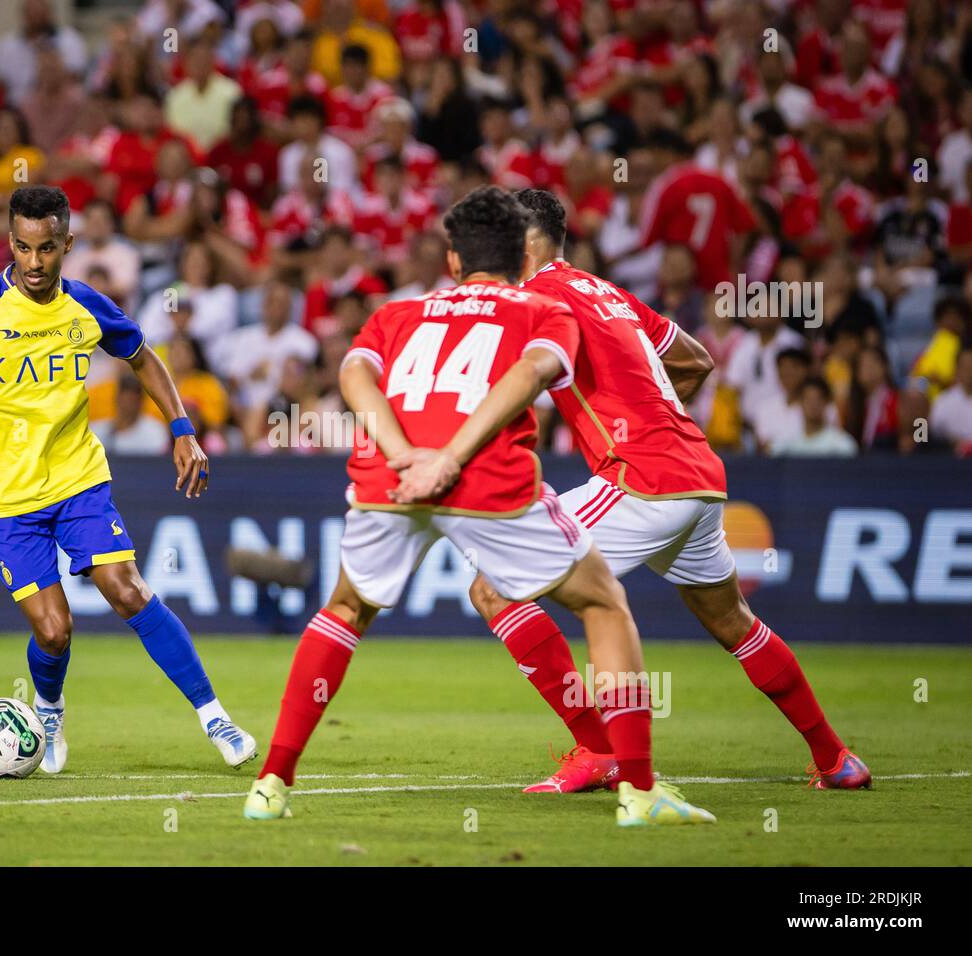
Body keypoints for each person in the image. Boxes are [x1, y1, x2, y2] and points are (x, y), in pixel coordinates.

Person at [244, 186, 716, 827]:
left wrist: (405, 454)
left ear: (453, 261)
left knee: (346, 609)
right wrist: (448, 457)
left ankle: (272, 783)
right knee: (603, 602)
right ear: (521, 256)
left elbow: (354, 378)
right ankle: (638, 790)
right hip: (484, 479)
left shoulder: (399, 312)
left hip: (390, 477)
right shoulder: (541, 308)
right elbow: (530, 376)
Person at [456, 189, 867, 793]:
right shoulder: (609, 293)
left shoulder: (535, 297)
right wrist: (649, 412)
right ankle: (836, 759)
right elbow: (697, 360)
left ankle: (598, 750)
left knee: (491, 587)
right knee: (736, 622)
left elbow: (517, 378)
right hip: (698, 474)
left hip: (639, 480)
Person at [0, 185, 255, 775]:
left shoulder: (86, 305)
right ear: (10, 242)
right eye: (23, 247)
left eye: (47, 248)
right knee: (55, 631)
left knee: (126, 587)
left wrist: (182, 428)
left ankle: (215, 717)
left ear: (68, 244)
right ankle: (50, 712)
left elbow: (142, 356)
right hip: (2, 498)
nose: (34, 262)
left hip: (78, 481)